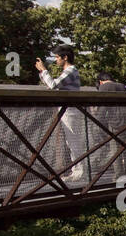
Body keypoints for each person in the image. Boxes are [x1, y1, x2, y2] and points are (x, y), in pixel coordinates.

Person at [34, 44, 87, 184]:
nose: (56, 60)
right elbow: (52, 85)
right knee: (72, 142)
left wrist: (44, 70)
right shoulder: (69, 72)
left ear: (65, 57)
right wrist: (42, 73)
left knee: (74, 141)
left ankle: (80, 172)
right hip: (67, 110)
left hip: (70, 111)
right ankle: (77, 171)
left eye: (57, 57)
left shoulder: (70, 71)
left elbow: (52, 85)